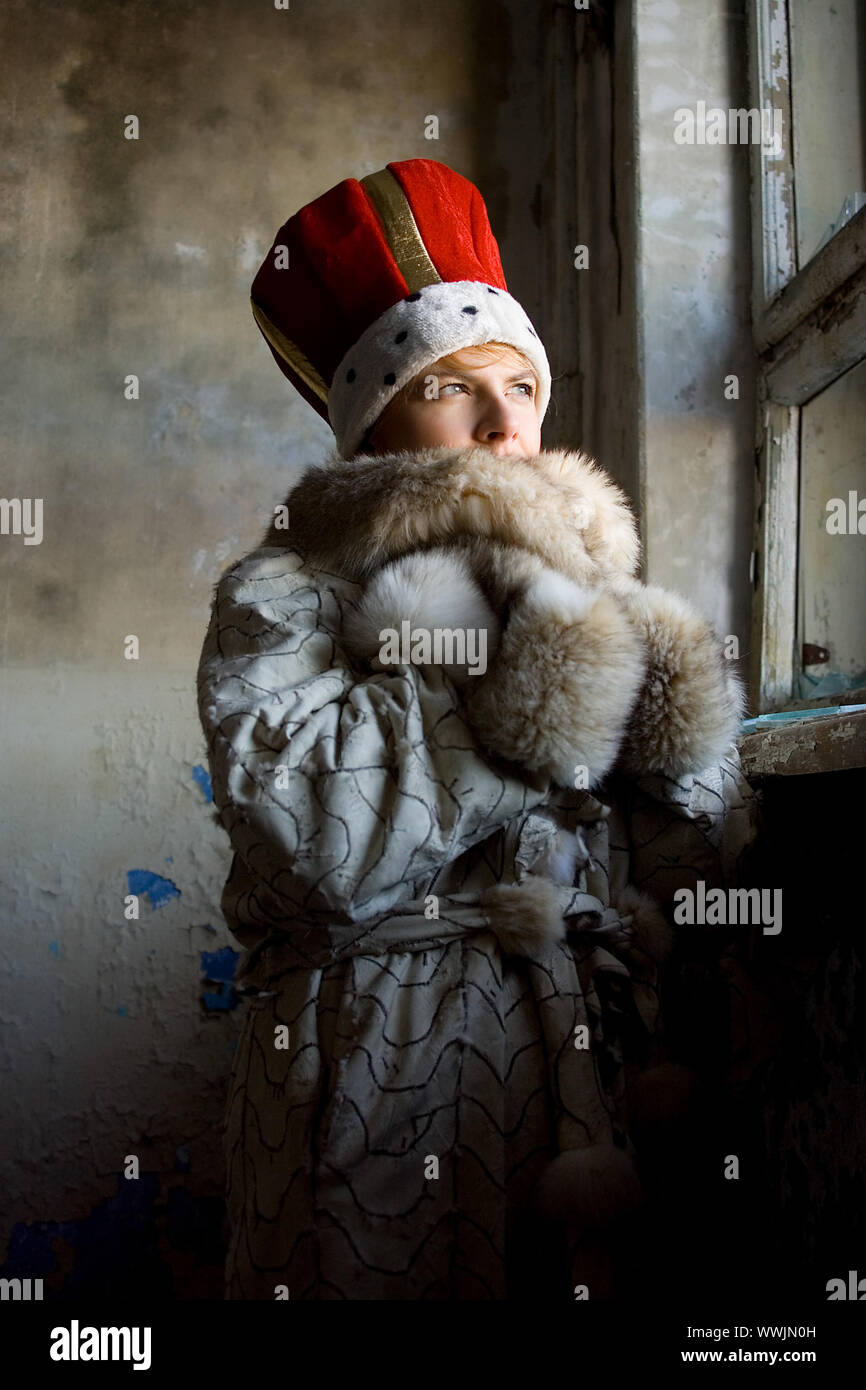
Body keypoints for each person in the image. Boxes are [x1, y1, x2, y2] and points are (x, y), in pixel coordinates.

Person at [197, 158, 760, 1300]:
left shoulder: (593, 591)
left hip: (581, 1066)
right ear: (372, 428)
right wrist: (531, 674)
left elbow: (686, 874)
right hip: (371, 1057)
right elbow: (320, 837)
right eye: (456, 389)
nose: (507, 423)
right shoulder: (283, 593)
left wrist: (668, 724)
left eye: (522, 384)